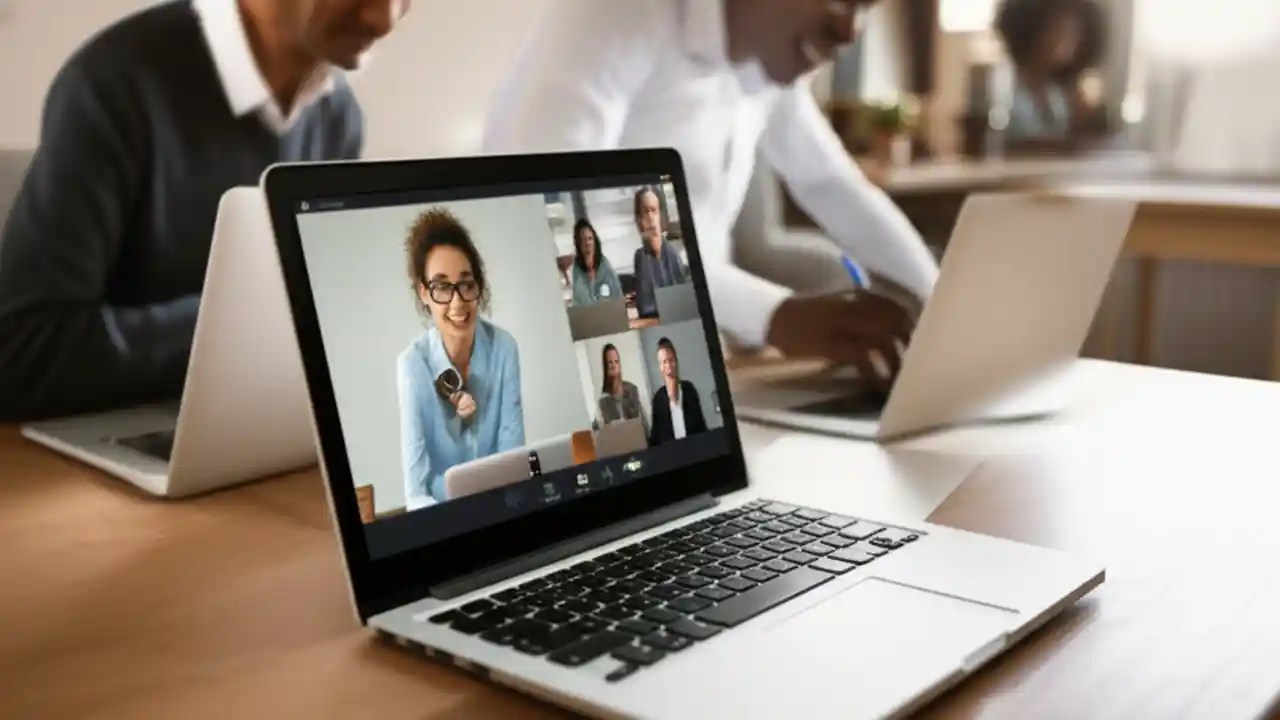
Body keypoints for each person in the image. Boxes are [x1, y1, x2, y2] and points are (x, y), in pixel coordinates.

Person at [0, 0, 409, 422]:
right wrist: (262, 322)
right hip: (96, 438)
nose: (385, 20)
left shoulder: (340, 115)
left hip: (242, 425)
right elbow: (24, 354)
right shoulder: (114, 83)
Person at [484, 0, 922, 387]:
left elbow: (832, 185)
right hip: (569, 373)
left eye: (867, 8)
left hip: (688, 367)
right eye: (842, 0)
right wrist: (771, 314)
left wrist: (938, 308)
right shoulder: (620, 12)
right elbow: (549, 204)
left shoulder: (763, 58)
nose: (849, 32)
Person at [397, 209, 525, 509]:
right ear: (424, 293)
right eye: (442, 287)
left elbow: (514, 465)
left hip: (503, 511)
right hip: (444, 518)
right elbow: (416, 493)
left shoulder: (504, 349)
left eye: (466, 284)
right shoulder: (413, 365)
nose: (457, 302)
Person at [996, 0, 1108, 153]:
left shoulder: (1056, 92)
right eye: (1059, 31)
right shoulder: (1004, 83)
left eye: (1073, 35)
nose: (1066, 44)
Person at [631, 186, 688, 319]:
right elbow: (645, 307)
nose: (650, 217)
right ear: (639, 219)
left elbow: (683, 303)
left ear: (661, 216)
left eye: (654, 211)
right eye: (645, 212)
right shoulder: (640, 257)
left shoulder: (673, 254)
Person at [648, 337, 707, 446]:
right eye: (664, 362)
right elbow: (656, 437)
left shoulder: (689, 390)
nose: (668, 366)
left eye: (671, 360)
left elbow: (700, 426)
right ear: (660, 366)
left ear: (676, 361)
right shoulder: (658, 399)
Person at [570, 218, 623, 306]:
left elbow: (617, 296)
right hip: (588, 313)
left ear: (595, 241)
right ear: (578, 244)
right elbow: (578, 301)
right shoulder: (577, 268)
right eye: (583, 240)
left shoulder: (604, 265)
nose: (587, 243)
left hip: (609, 312)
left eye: (590, 238)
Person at [597, 343, 645, 430]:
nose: (613, 365)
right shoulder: (603, 401)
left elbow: (642, 421)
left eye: (616, 361)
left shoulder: (632, 390)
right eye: (610, 362)